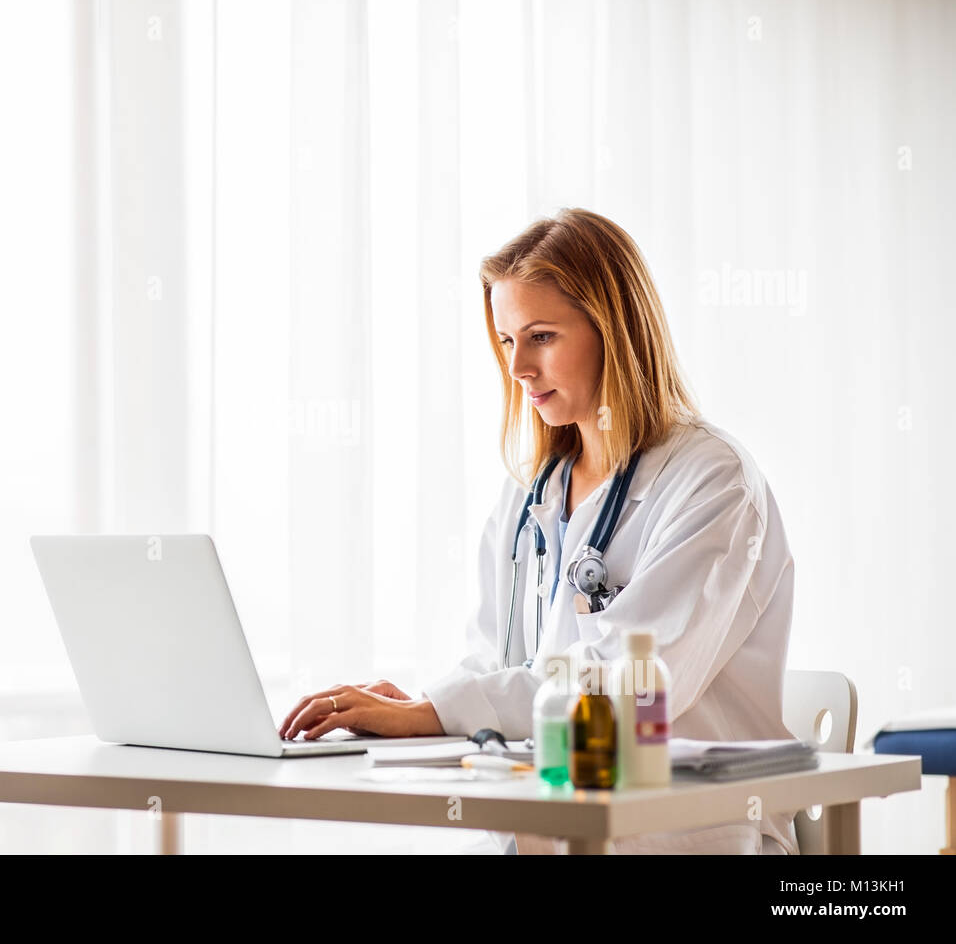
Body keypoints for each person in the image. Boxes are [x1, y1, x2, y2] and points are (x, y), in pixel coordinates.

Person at [277, 208, 800, 855]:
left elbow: (629, 692)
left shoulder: (713, 481)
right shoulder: (534, 492)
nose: (518, 366)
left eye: (542, 336)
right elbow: (495, 662)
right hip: (546, 823)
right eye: (505, 340)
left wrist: (441, 710)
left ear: (617, 331)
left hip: (681, 834)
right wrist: (421, 709)